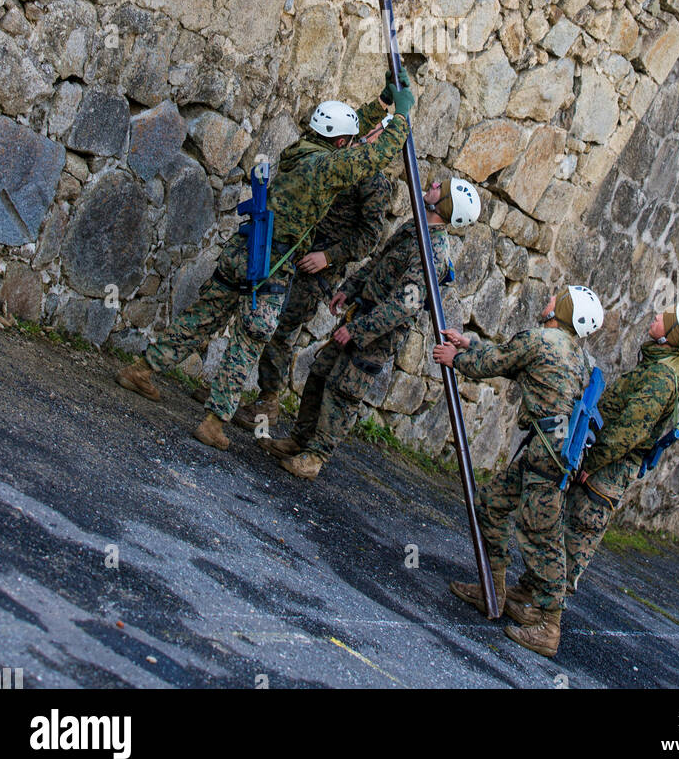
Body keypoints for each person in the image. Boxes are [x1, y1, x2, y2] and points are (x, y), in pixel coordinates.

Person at [115, 78, 415, 448]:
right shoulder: (326, 168)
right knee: (251, 339)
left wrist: (381, 101)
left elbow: (344, 129)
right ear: (341, 143)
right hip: (270, 263)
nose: (351, 142)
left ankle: (141, 369)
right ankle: (214, 421)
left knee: (202, 317)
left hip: (245, 247)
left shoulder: (302, 148)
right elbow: (371, 156)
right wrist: (401, 114)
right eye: (349, 140)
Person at [263, 177, 481, 480]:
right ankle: (300, 441)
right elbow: (378, 262)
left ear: (444, 205)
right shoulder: (415, 227)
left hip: (378, 335)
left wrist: (358, 330)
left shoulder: (432, 254)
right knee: (320, 373)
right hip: (361, 316)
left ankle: (315, 457)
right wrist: (350, 289)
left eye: (438, 187)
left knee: (343, 391)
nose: (431, 184)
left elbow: (403, 307)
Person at [434, 284, 604, 659]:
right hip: (552, 453)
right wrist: (468, 344)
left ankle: (549, 625)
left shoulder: (542, 339)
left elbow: (495, 364)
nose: (548, 301)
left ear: (563, 309)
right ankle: (491, 586)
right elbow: (512, 362)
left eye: (555, 298)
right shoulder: (576, 354)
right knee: (491, 502)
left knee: (541, 536)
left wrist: (456, 358)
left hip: (547, 456)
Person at [561, 303, 679, 598]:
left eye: (665, 318)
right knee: (565, 533)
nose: (657, 316)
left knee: (574, 542)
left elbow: (630, 431)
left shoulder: (661, 379)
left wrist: (591, 462)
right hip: (605, 465)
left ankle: (546, 623)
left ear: (673, 335)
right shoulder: (659, 366)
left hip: (606, 471)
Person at [237, 141, 392, 431]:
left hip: (316, 269)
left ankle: (268, 402)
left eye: (376, 133)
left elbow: (369, 237)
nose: (367, 135)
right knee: (255, 314)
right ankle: (228, 390)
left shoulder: (375, 181)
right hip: (291, 249)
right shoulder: (341, 158)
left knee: (280, 330)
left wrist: (328, 257)